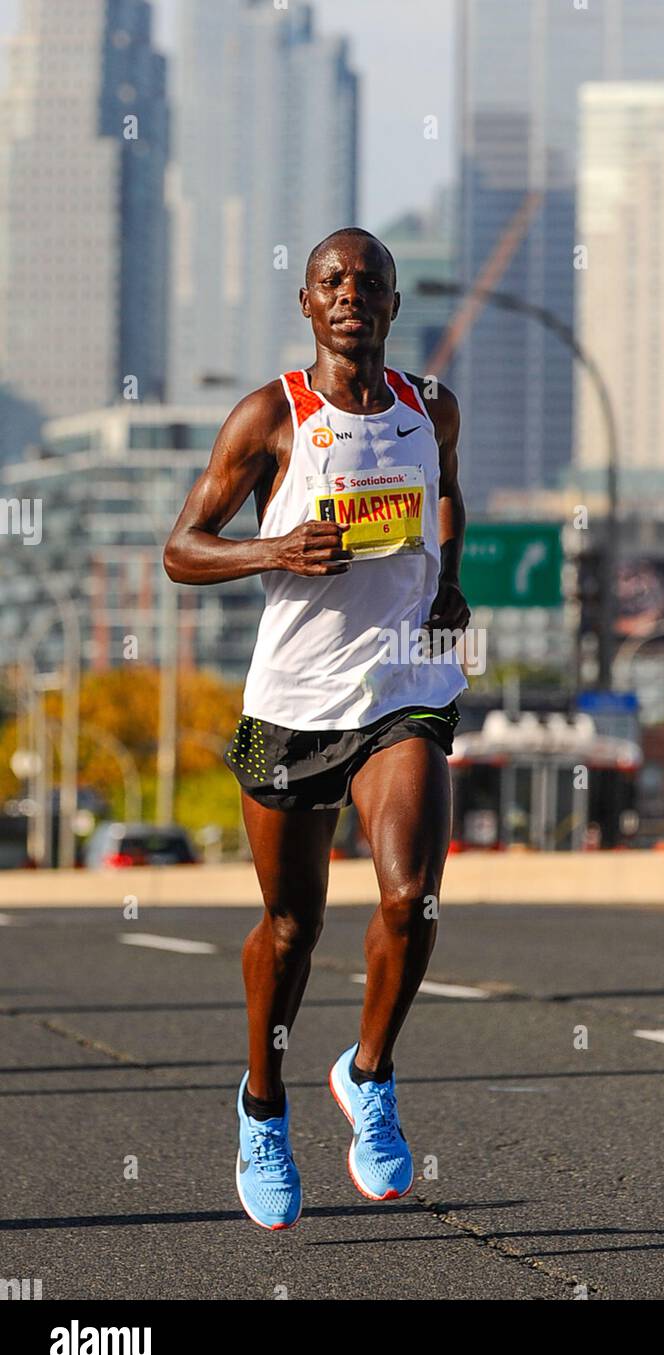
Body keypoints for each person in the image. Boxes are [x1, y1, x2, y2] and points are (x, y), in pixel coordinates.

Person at [164, 228, 470, 1229]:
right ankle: (262, 1102)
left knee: (411, 894)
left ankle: (369, 1071)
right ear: (307, 304)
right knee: (292, 926)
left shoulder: (431, 408)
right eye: (332, 281)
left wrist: (452, 584)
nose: (351, 295)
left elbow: (449, 498)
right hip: (291, 701)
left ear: (390, 303)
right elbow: (181, 549)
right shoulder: (273, 415)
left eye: (368, 282)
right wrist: (274, 548)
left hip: (404, 685)